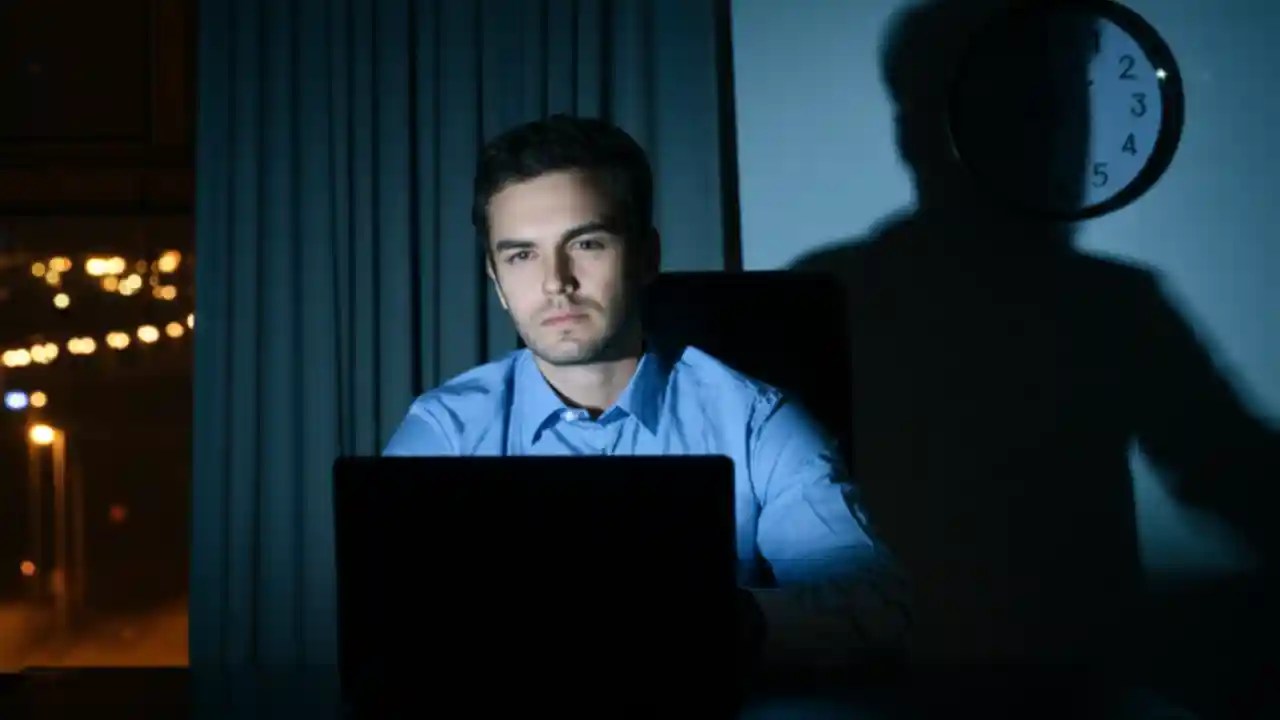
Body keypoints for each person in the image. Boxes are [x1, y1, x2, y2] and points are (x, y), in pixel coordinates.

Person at [384, 113, 909, 676]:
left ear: (645, 257)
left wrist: (701, 620)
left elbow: (877, 606)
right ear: (496, 281)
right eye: (522, 255)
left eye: (586, 243)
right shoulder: (445, 430)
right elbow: (386, 617)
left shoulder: (754, 421)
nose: (556, 281)